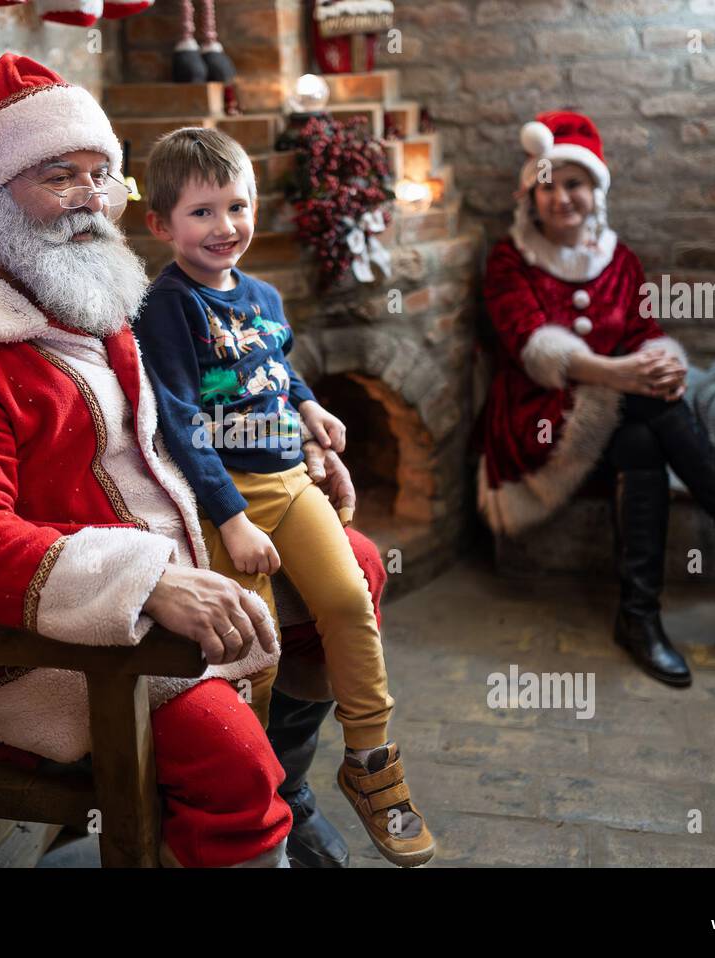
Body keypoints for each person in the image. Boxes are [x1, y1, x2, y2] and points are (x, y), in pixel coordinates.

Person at [0, 53, 370, 867]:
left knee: (356, 566)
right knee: (227, 753)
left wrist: (289, 451)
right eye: (60, 177)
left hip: (156, 532)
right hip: (32, 622)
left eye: (104, 177)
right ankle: (249, 825)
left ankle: (291, 790)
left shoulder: (64, 278)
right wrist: (148, 581)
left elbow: (164, 424)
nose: (92, 202)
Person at [131, 127, 434, 867]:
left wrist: (309, 411)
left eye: (237, 207)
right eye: (202, 213)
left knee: (345, 601)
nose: (224, 227)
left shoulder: (262, 294)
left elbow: (278, 368)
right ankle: (261, 796)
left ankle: (370, 763)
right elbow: (176, 419)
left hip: (290, 485)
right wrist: (230, 520)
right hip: (219, 495)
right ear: (160, 225)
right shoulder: (167, 307)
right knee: (251, 649)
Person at [476, 111, 715, 687]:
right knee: (648, 412)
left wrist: (662, 361)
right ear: (531, 196)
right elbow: (531, 349)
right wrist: (622, 373)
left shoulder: (618, 257)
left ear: (595, 191)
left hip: (623, 409)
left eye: (575, 183)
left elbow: (644, 331)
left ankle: (640, 615)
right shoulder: (509, 258)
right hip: (540, 412)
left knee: (644, 435)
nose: (562, 197)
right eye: (548, 185)